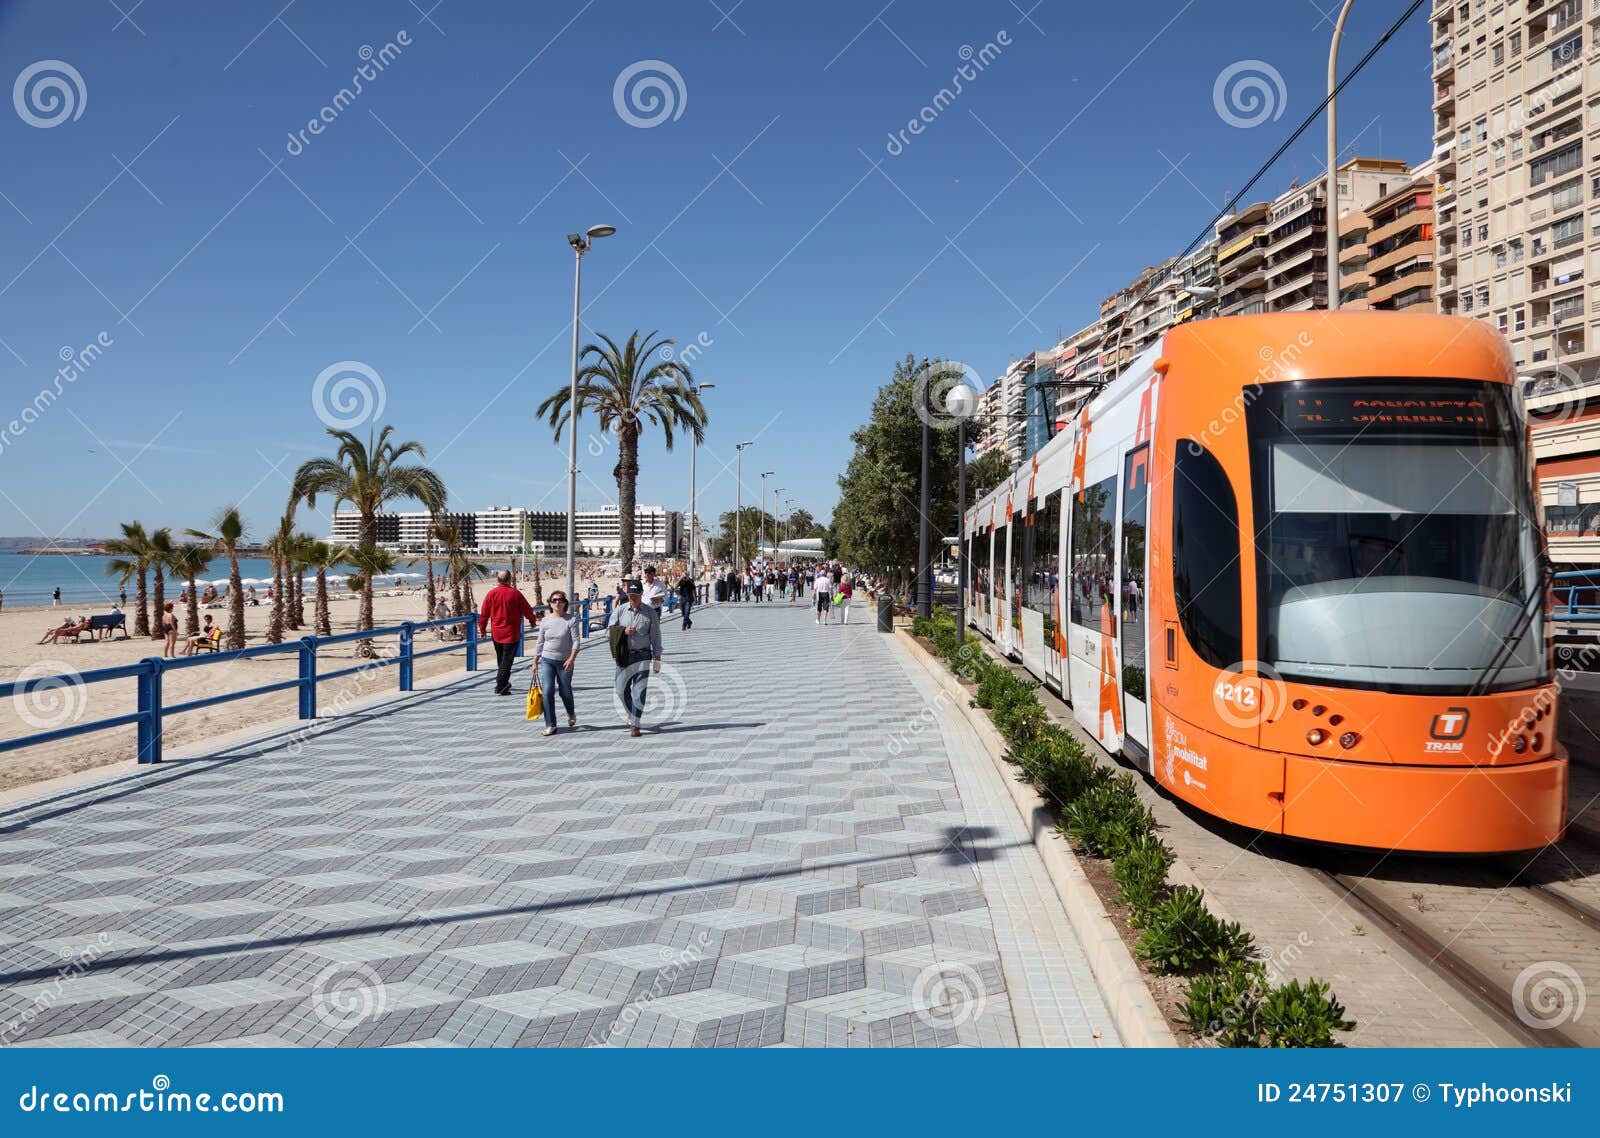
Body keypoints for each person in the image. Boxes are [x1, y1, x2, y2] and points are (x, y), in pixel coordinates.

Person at [608, 579, 662, 737]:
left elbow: (656, 636)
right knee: (620, 689)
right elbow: (608, 632)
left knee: (639, 690)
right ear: (626, 593)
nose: (632, 598)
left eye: (636, 595)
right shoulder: (620, 611)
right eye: (630, 595)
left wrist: (657, 658)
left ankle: (636, 724)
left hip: (643, 655)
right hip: (624, 655)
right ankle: (631, 713)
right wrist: (623, 631)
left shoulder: (650, 613)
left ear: (641, 594)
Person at [478, 570, 538, 697]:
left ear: (498, 580)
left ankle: (503, 682)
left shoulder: (491, 594)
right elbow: (527, 609)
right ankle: (501, 685)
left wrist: (482, 629)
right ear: (510, 579)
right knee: (506, 661)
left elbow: (484, 614)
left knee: (502, 659)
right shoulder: (515, 594)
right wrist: (532, 621)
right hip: (511, 633)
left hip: (496, 633)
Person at [532, 591, 580, 737]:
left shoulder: (571, 619)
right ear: (550, 603)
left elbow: (576, 641)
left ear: (565, 602)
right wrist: (535, 660)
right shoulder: (545, 621)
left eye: (560, 600)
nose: (557, 603)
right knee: (547, 691)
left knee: (565, 691)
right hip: (547, 660)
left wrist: (571, 658)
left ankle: (571, 712)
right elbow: (540, 642)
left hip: (565, 661)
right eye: (554, 600)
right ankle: (551, 724)